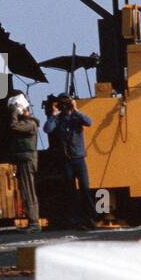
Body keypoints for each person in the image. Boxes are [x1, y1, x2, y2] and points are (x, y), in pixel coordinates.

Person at [43, 93, 95, 228]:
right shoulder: (58, 119)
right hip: (67, 160)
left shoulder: (75, 117)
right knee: (70, 191)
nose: (65, 107)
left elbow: (89, 122)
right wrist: (54, 114)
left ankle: (89, 217)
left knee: (85, 188)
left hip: (79, 158)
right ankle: (75, 220)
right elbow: (47, 129)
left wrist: (76, 110)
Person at [4, 93, 41, 232]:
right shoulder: (27, 123)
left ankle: (34, 222)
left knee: (28, 191)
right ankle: (32, 221)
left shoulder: (29, 124)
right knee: (26, 191)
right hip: (24, 159)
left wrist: (13, 112)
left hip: (27, 160)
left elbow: (13, 126)